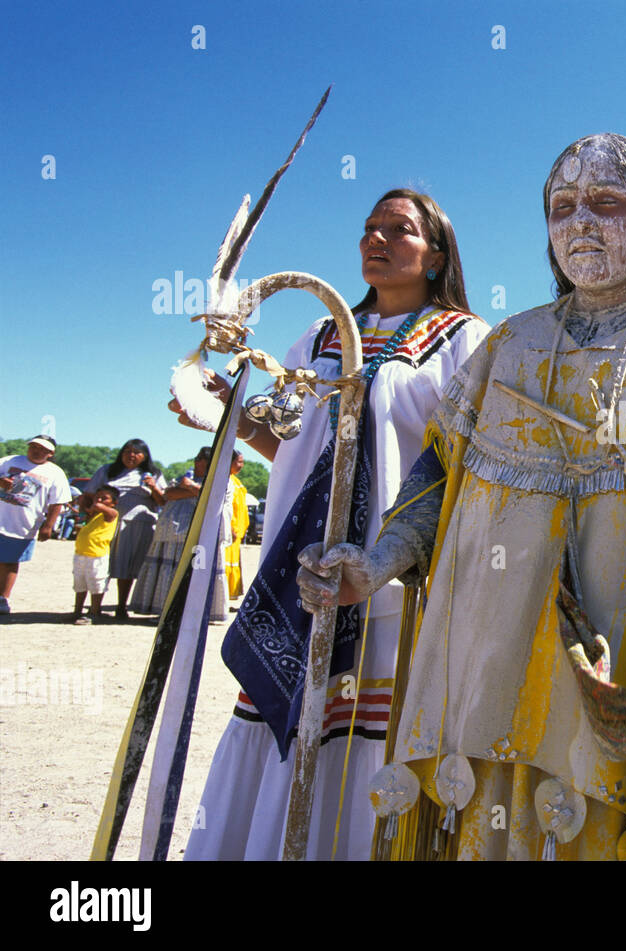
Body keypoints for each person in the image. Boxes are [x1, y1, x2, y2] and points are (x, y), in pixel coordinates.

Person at [299, 134, 626, 861]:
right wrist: (376, 561)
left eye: (607, 202)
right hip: (485, 690)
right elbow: (438, 476)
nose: (582, 224)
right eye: (561, 208)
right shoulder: (509, 343)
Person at [183, 189, 489, 860]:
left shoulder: (464, 340)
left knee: (366, 733)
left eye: (398, 230)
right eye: (369, 228)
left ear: (436, 254)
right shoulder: (320, 334)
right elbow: (297, 447)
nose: (376, 239)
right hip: (303, 567)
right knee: (287, 725)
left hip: (393, 578)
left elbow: (468, 468)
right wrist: (225, 412)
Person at [129, 447, 231, 621]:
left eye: (201, 459)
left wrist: (192, 487)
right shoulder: (183, 477)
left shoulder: (221, 481)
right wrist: (191, 489)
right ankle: (167, 611)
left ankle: (192, 613)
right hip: (172, 534)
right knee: (171, 572)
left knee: (195, 573)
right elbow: (169, 494)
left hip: (200, 536)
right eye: (197, 458)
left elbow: (213, 497)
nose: (196, 462)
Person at [84, 439, 167, 619]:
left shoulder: (153, 473)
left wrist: (153, 487)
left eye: (136, 452)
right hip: (106, 524)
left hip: (139, 525)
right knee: (101, 563)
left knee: (127, 566)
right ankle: (95, 607)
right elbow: (89, 494)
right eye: (127, 451)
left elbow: (163, 501)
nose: (131, 455)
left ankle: (121, 606)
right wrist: (87, 515)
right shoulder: (107, 471)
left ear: (145, 456)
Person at [0, 435, 72, 616]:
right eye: (34, 446)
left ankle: (3, 598)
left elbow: (58, 502)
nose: (37, 451)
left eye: (43, 449)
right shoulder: (9, 461)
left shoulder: (55, 473)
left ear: (50, 453)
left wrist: (48, 525)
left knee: (9, 562)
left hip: (23, 525)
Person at [71, 485, 119, 624]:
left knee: (96, 583)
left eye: (104, 498)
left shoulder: (111, 514)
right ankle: (77, 610)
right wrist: (85, 510)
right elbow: (79, 525)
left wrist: (93, 504)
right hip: (81, 552)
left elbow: (101, 508)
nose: (99, 500)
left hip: (97, 555)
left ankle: (94, 611)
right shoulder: (91, 515)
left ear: (113, 503)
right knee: (80, 583)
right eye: (97, 497)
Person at [225, 451, 248, 602]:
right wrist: (230, 528)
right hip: (229, 531)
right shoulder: (225, 481)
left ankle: (229, 596)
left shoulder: (236, 482)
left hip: (237, 533)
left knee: (233, 564)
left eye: (242, 462)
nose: (241, 466)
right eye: (238, 462)